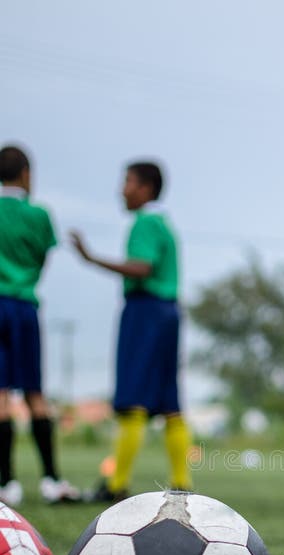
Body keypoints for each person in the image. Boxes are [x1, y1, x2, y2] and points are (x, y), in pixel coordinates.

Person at [70, 160, 192, 501]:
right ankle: (183, 485)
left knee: (133, 398)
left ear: (146, 188)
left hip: (146, 311)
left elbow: (142, 267)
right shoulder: (165, 223)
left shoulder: (145, 223)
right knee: (170, 402)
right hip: (168, 312)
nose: (122, 189)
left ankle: (115, 484)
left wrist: (92, 258)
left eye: (128, 182)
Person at [0, 145, 80, 506]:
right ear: (27, 174)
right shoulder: (40, 215)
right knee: (34, 392)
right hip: (24, 305)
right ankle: (50, 479)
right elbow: (43, 255)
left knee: (0, 394)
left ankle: (7, 483)